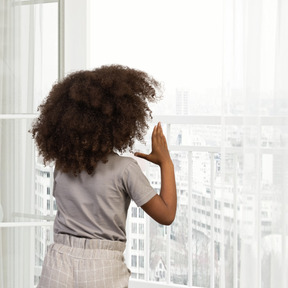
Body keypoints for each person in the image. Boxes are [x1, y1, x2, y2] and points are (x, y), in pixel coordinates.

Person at [31, 64, 177, 288]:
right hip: (103, 267)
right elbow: (166, 215)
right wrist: (165, 163)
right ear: (120, 122)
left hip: (58, 262)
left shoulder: (63, 165)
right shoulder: (125, 168)